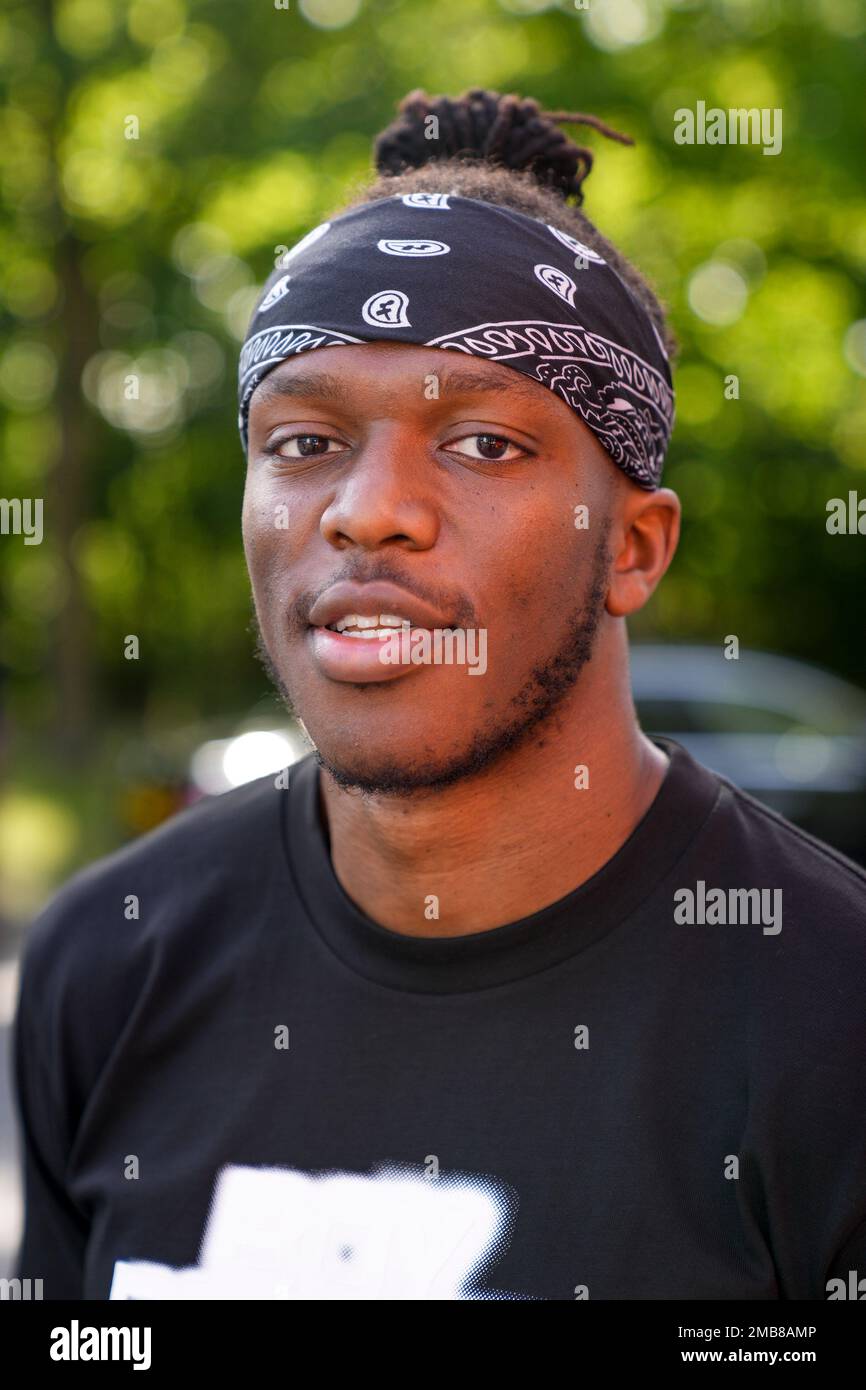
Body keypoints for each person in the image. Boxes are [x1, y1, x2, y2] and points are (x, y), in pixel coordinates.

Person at [12, 88, 866, 1301]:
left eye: (482, 445)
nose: (366, 508)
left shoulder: (828, 1017)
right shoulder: (109, 963)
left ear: (631, 546)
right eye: (304, 443)